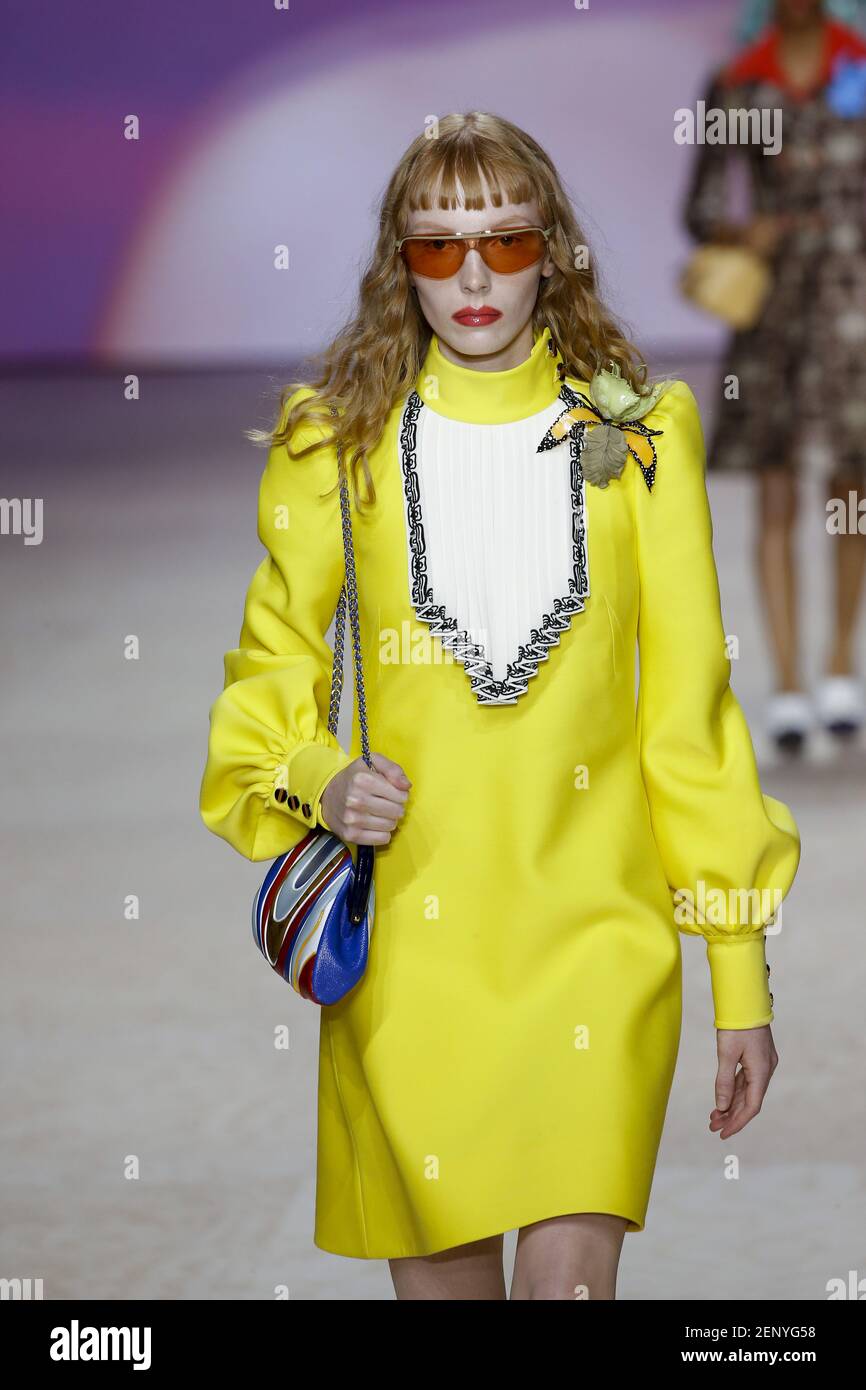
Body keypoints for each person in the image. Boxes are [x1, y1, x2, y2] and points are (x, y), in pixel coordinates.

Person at [199, 111, 801, 1300]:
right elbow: (267, 676)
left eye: (505, 241)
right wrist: (323, 777)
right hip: (416, 957)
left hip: (599, 941)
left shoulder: (640, 439)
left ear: (551, 250)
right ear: (398, 264)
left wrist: (737, 974)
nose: (472, 275)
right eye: (435, 248)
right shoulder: (340, 443)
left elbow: (690, 721)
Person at [682, 0, 866, 752]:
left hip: (855, 302)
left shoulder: (858, 66)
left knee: (854, 487)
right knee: (777, 483)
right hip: (776, 307)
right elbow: (699, 204)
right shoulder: (735, 83)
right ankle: (787, 682)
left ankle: (838, 665)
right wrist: (736, 229)